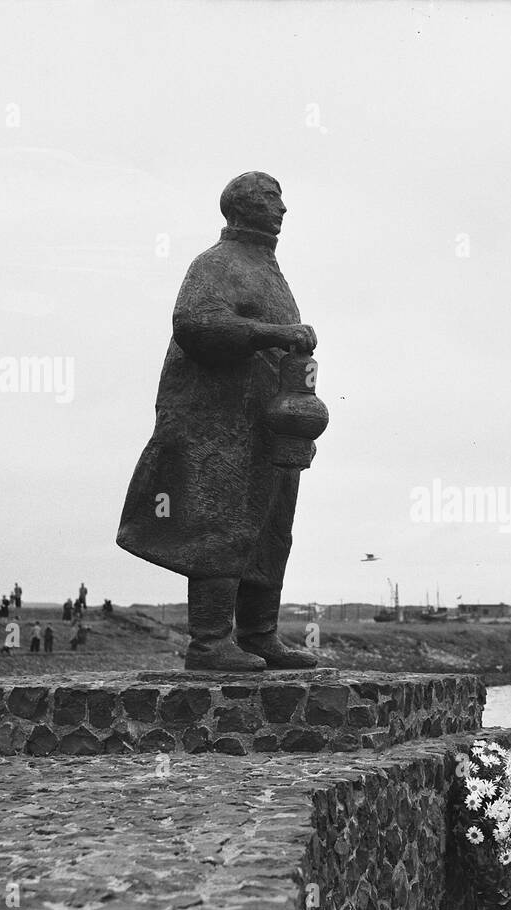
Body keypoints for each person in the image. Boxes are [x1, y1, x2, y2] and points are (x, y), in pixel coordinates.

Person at [116, 171, 320, 671]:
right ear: (238, 207)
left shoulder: (267, 268)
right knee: (222, 525)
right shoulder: (217, 264)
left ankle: (258, 634)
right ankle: (209, 643)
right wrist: (271, 331)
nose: (283, 209)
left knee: (272, 531)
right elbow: (195, 325)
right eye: (271, 198)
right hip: (220, 428)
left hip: (268, 428)